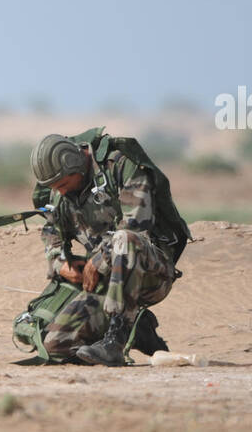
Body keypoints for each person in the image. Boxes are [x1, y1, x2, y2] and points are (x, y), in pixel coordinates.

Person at [27, 129, 187, 365]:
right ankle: (138, 328)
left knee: (125, 238)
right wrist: (61, 264)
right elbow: (51, 233)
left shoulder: (120, 166)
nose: (59, 191)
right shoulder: (60, 193)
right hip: (105, 283)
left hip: (150, 274)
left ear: (76, 165)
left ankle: (116, 340)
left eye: (62, 184)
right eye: (54, 187)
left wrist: (98, 260)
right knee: (56, 346)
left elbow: (135, 227)